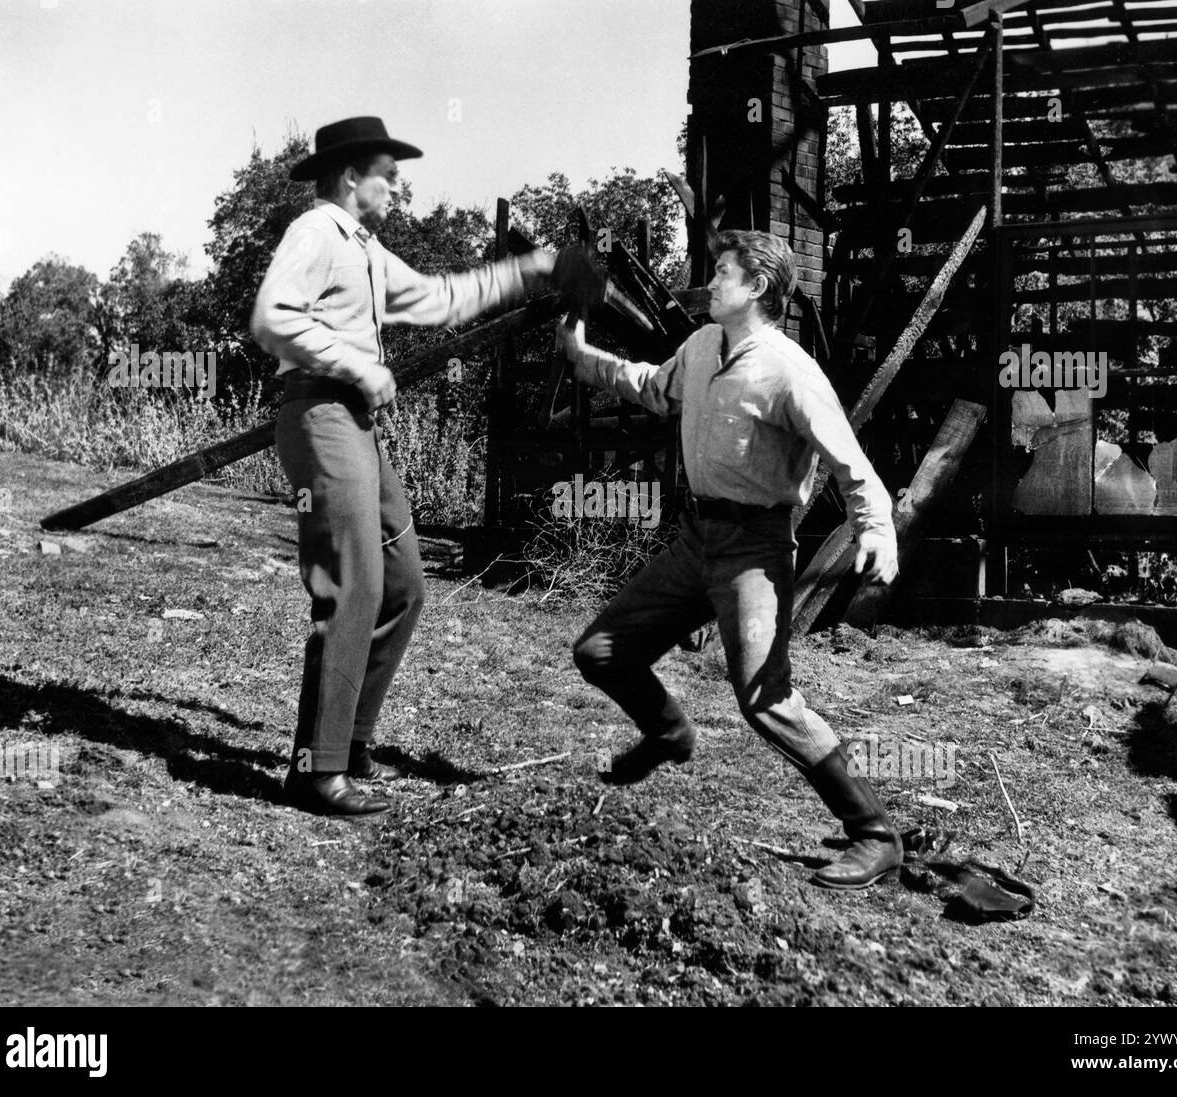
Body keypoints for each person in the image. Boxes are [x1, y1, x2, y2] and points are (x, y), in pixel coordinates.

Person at [558, 230, 903, 889]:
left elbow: (848, 460)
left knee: (764, 698)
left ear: (758, 289)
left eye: (722, 273)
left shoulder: (788, 370)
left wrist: (876, 525)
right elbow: (652, 388)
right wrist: (585, 359)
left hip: (754, 549)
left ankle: (874, 834)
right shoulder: (700, 346)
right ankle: (668, 734)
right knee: (600, 652)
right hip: (696, 540)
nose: (710, 283)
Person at [252, 116, 553, 816]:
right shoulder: (316, 232)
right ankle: (313, 768)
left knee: (405, 584)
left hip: (352, 421)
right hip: (319, 413)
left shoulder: (364, 249)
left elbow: (441, 299)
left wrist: (532, 271)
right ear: (350, 177)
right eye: (387, 171)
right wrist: (356, 363)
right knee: (354, 581)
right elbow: (271, 317)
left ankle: (349, 743)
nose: (397, 182)